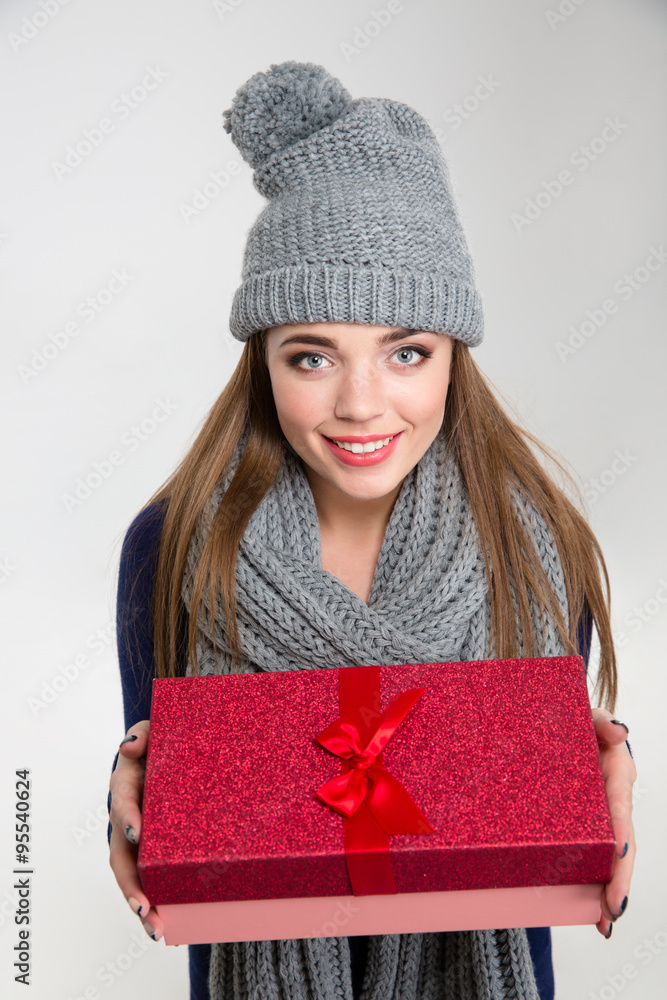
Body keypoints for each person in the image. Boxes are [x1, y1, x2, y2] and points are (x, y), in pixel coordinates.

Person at [107, 61, 637, 1000]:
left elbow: (541, 814)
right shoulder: (175, 544)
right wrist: (124, 801)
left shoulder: (534, 542)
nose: (360, 406)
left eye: (405, 352)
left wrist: (607, 760)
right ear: (261, 358)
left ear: (452, 356)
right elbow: (176, 806)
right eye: (311, 354)